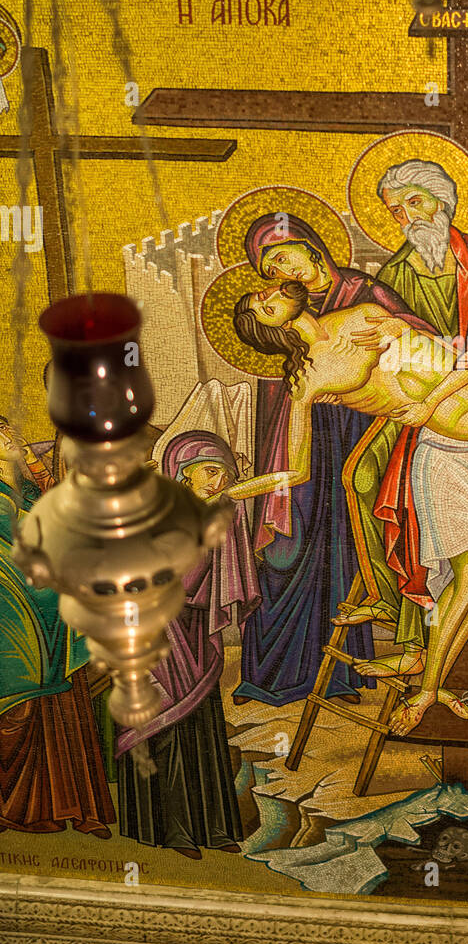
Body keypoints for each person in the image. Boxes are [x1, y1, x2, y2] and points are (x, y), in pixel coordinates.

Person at [233, 281, 468, 735]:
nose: (264, 293)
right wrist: (231, 493)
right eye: (258, 306)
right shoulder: (308, 380)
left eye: (262, 292)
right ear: (268, 331)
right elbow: (295, 473)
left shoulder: (360, 315)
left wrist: (400, 331)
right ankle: (429, 687)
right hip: (443, 449)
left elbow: (463, 362)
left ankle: (430, 680)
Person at [342, 158, 468, 673]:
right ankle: (393, 601)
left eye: (414, 202)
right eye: (396, 210)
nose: (407, 217)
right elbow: (388, 344)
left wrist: (428, 358)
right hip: (417, 399)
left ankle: (416, 644)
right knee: (361, 479)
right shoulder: (396, 271)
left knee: (409, 500)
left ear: (444, 202)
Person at [232, 212, 424, 708]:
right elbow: (293, 402)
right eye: (267, 271)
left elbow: (421, 337)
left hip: (367, 427)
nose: (277, 276)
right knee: (290, 547)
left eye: (280, 258)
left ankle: (340, 674)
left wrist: (393, 335)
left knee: (348, 533)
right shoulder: (299, 355)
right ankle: (276, 670)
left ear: (312, 247)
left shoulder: (361, 292)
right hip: (309, 434)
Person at [116, 431, 263, 859]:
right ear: (183, 472)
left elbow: (223, 580)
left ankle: (214, 826)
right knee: (163, 726)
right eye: (210, 472)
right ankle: (170, 830)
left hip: (195, 633)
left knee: (200, 728)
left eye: (224, 475)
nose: (218, 482)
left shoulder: (220, 514)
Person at [0, 417, 114, 837]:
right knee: (19, 705)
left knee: (66, 702)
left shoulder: (26, 488)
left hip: (51, 617)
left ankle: (75, 807)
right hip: (14, 620)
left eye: (13, 430)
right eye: (3, 433)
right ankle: (14, 808)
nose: (13, 437)